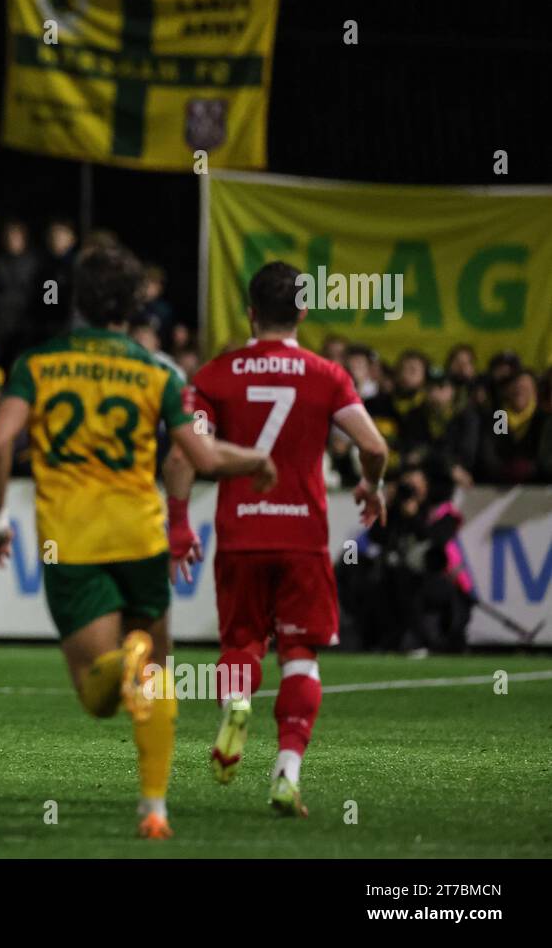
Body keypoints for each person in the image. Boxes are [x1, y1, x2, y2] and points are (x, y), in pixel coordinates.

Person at [0, 245, 277, 840]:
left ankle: (123, 666)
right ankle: (154, 810)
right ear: (136, 304)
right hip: (142, 536)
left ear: (77, 299)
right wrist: (256, 459)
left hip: (73, 541)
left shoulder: (38, 364)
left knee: (99, 697)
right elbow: (201, 457)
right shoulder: (159, 371)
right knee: (159, 676)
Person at [164, 261, 389, 818]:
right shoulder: (328, 375)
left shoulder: (214, 376)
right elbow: (376, 446)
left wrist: (178, 524)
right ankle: (286, 772)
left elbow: (181, 454)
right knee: (300, 654)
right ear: (303, 312)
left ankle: (237, 701)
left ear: (249, 311)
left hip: (242, 533)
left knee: (241, 643)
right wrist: (371, 485)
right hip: (302, 537)